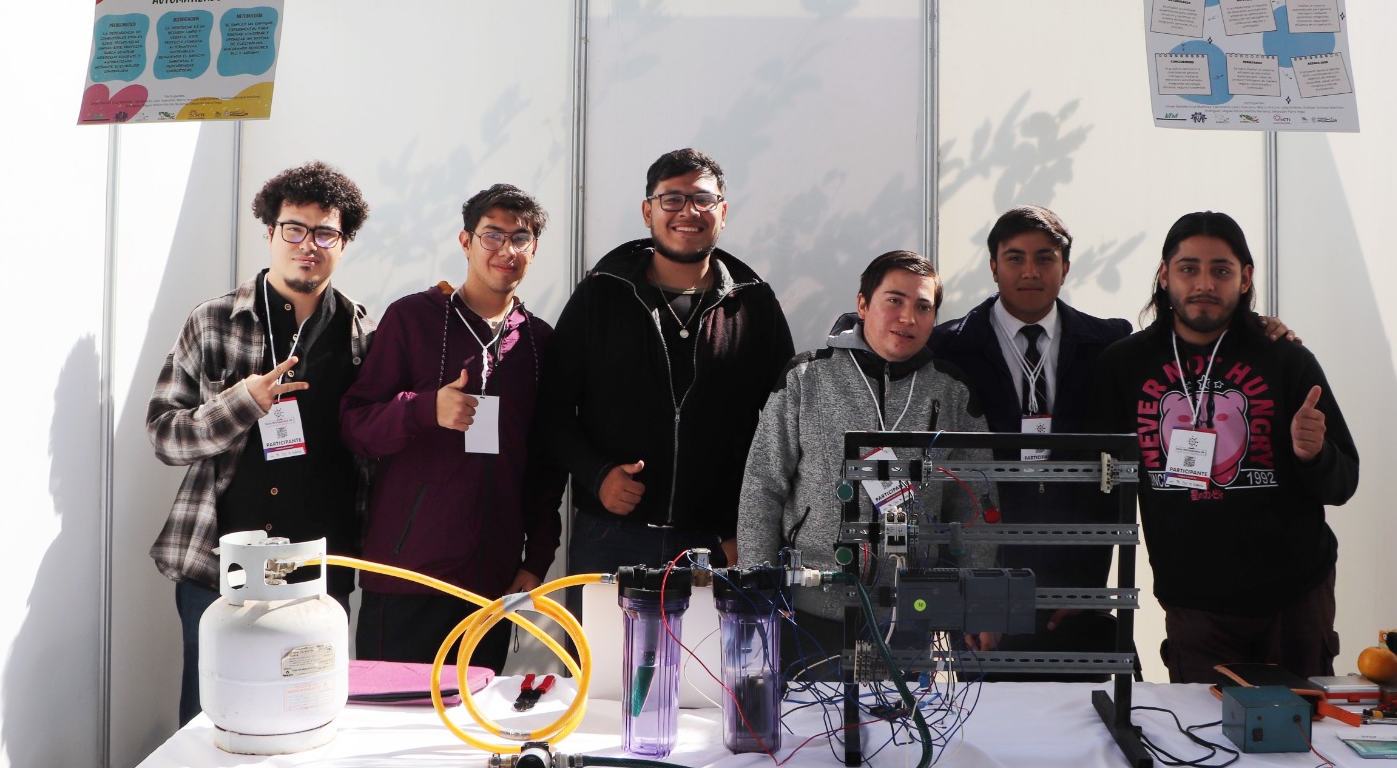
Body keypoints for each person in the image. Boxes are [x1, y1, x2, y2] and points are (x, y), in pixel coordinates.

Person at [1086, 211, 1358, 683]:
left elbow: (1344, 483)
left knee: (1298, 739)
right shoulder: (1122, 366)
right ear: (1164, 273)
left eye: (1221, 270)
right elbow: (1097, 487)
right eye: (1189, 268)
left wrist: (1316, 455)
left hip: (1294, 598)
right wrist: (1082, 590)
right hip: (1195, 604)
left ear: (1246, 277)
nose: (1204, 283)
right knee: (1203, 738)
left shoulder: (1287, 359)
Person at [147, 161, 374, 724]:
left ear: (343, 243)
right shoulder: (213, 321)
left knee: (307, 719)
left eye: (326, 233)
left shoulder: (359, 336)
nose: (308, 245)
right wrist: (242, 401)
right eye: (293, 229)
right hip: (220, 565)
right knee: (209, 722)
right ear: (270, 231)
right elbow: (164, 435)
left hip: (318, 569)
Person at [537, 147, 794, 586]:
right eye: (671, 199)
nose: (687, 212)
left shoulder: (755, 305)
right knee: (598, 657)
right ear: (647, 211)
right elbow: (551, 409)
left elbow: (784, 428)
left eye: (702, 199)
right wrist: (597, 475)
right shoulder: (602, 295)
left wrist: (742, 528)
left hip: (716, 545)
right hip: (610, 536)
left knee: (713, 658)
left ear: (723, 211)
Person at [738, 250, 994, 678]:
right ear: (863, 305)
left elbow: (974, 506)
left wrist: (980, 600)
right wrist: (756, 592)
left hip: (911, 615)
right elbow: (762, 488)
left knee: (904, 739)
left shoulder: (952, 391)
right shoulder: (806, 378)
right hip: (810, 611)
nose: (907, 317)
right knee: (812, 736)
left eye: (922, 306)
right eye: (894, 300)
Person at [340, 184, 560, 670]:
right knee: (391, 724)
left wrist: (536, 558)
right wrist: (424, 409)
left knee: (470, 731)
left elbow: (545, 464)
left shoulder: (539, 343)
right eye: (493, 236)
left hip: (492, 585)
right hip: (406, 577)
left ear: (535, 250)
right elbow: (356, 426)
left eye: (520, 238)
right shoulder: (413, 318)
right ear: (466, 242)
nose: (507, 250)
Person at [928, 206, 1130, 672]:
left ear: (1066, 267)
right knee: (988, 722)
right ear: (994, 266)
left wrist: (1089, 587)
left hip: (1078, 574)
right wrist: (969, 585)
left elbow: (1114, 474)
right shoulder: (949, 347)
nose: (1031, 271)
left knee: (1082, 724)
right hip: (986, 571)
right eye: (1015, 258)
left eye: (1046, 258)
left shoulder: (1109, 345)